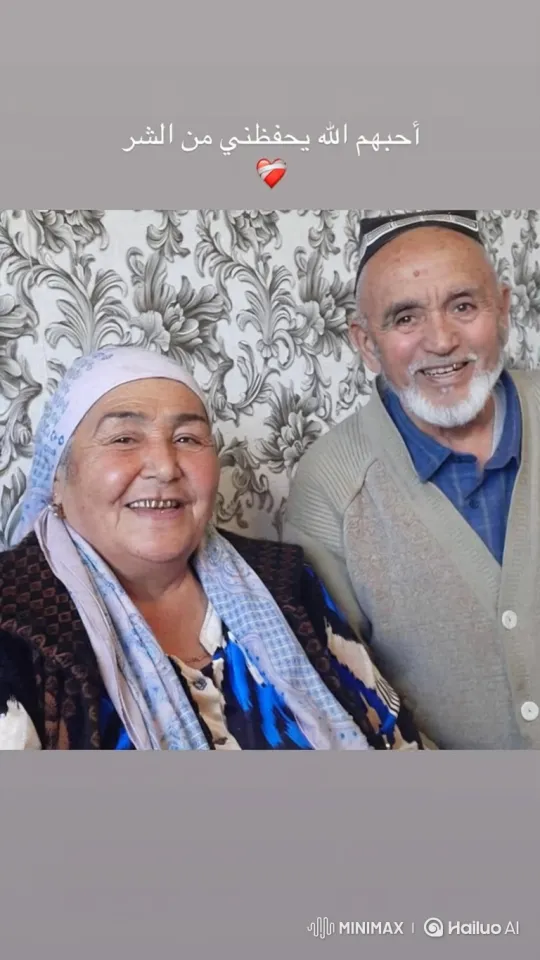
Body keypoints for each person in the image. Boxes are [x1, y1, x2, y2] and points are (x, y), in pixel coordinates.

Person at [0, 346, 425, 751]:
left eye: (187, 438)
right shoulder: (14, 622)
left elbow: (393, 739)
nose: (165, 467)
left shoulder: (284, 579)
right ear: (58, 479)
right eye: (124, 439)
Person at [285, 210, 540, 751]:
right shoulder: (330, 483)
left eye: (463, 306)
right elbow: (347, 695)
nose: (441, 341)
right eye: (405, 318)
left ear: (503, 310)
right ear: (366, 343)